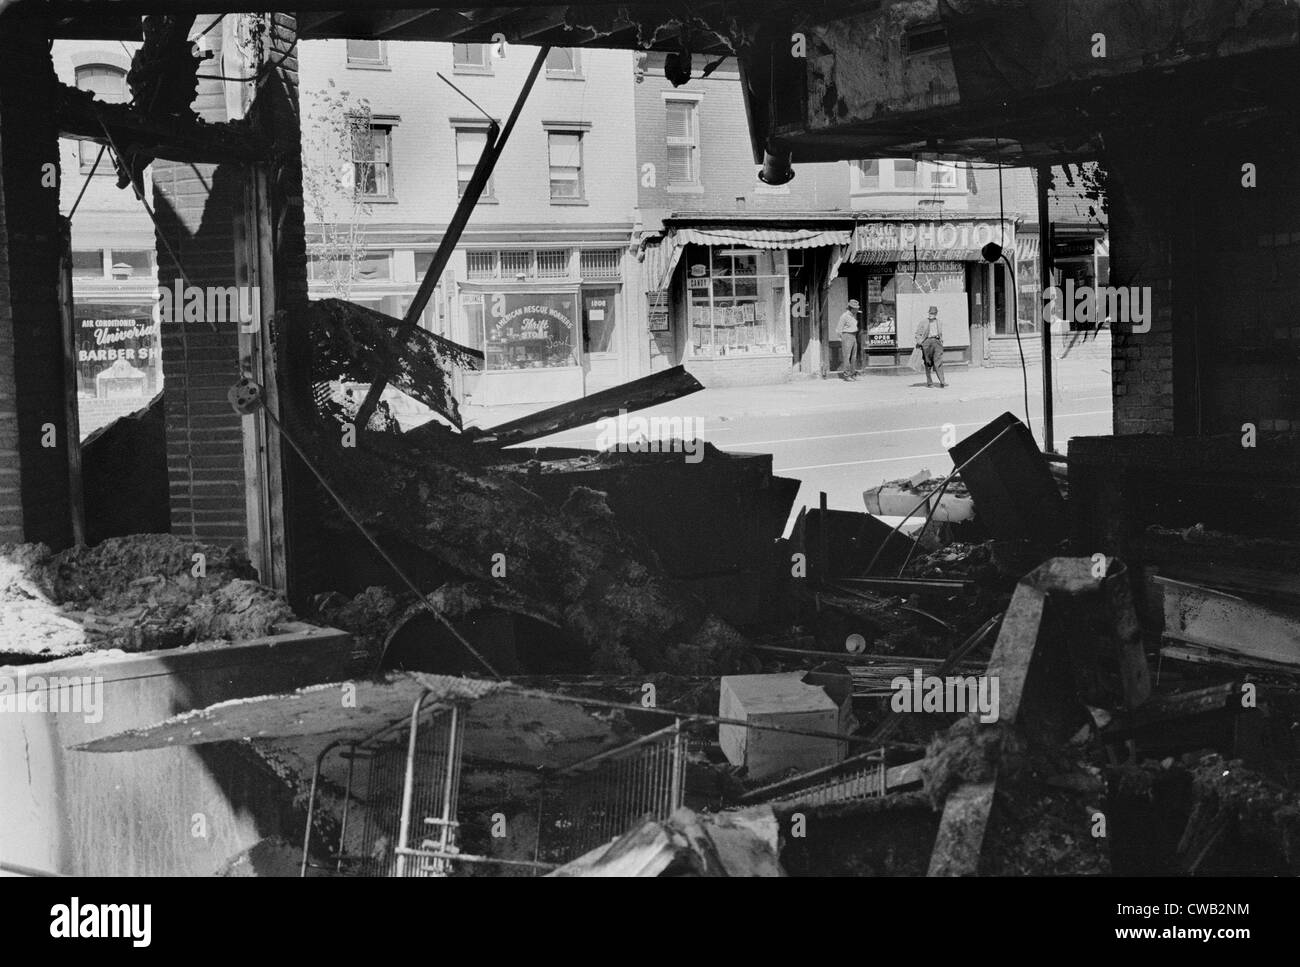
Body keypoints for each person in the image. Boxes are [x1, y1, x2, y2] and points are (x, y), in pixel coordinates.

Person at [914, 305, 946, 388]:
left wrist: (941, 341)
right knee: (928, 363)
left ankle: (942, 381)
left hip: (936, 342)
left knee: (938, 362)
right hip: (927, 342)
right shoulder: (923, 322)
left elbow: (940, 333)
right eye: (930, 313)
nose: (931, 315)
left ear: (936, 314)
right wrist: (920, 342)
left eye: (933, 313)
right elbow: (917, 333)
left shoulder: (939, 322)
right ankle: (929, 382)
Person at [838, 299, 862, 380]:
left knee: (854, 356)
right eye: (856, 308)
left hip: (854, 336)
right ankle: (846, 375)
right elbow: (839, 329)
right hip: (847, 335)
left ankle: (852, 374)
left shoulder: (853, 315)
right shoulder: (844, 316)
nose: (857, 309)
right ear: (851, 308)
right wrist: (842, 339)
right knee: (847, 356)